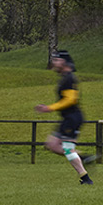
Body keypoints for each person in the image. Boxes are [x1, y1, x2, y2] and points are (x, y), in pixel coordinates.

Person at [35, 50, 95, 186]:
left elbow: (71, 100)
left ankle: (85, 178)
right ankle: (84, 158)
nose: (54, 64)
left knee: (68, 149)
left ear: (64, 62)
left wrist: (49, 108)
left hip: (73, 118)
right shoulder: (65, 78)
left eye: (56, 60)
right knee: (52, 145)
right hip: (68, 118)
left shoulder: (69, 78)